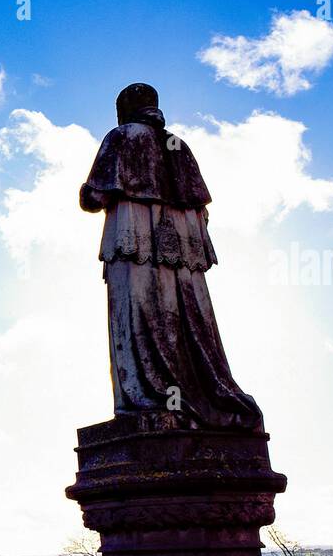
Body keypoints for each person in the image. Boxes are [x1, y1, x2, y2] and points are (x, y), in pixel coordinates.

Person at [80, 83, 263, 431]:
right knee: (188, 319)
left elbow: (95, 197)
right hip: (183, 245)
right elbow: (199, 205)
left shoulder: (122, 137)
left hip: (134, 239)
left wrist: (89, 192)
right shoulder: (177, 145)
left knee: (138, 316)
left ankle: (152, 398)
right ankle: (202, 398)